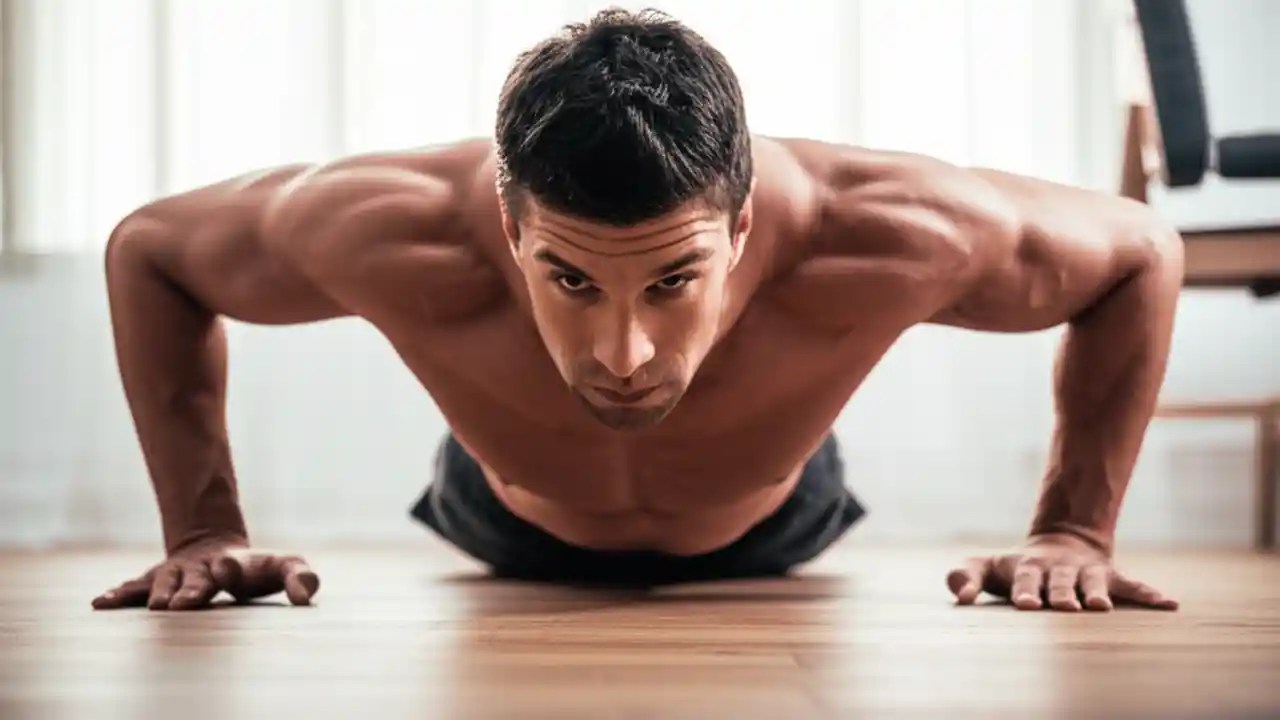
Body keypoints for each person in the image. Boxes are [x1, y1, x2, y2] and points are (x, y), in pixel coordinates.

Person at [92, 8, 1183, 613]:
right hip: (502, 512)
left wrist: (1070, 531)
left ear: (742, 226)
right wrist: (205, 531)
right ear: (512, 227)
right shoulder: (390, 224)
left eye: (672, 279)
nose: (623, 354)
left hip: (775, 517)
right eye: (570, 278)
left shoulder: (889, 227)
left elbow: (1138, 252)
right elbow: (152, 253)